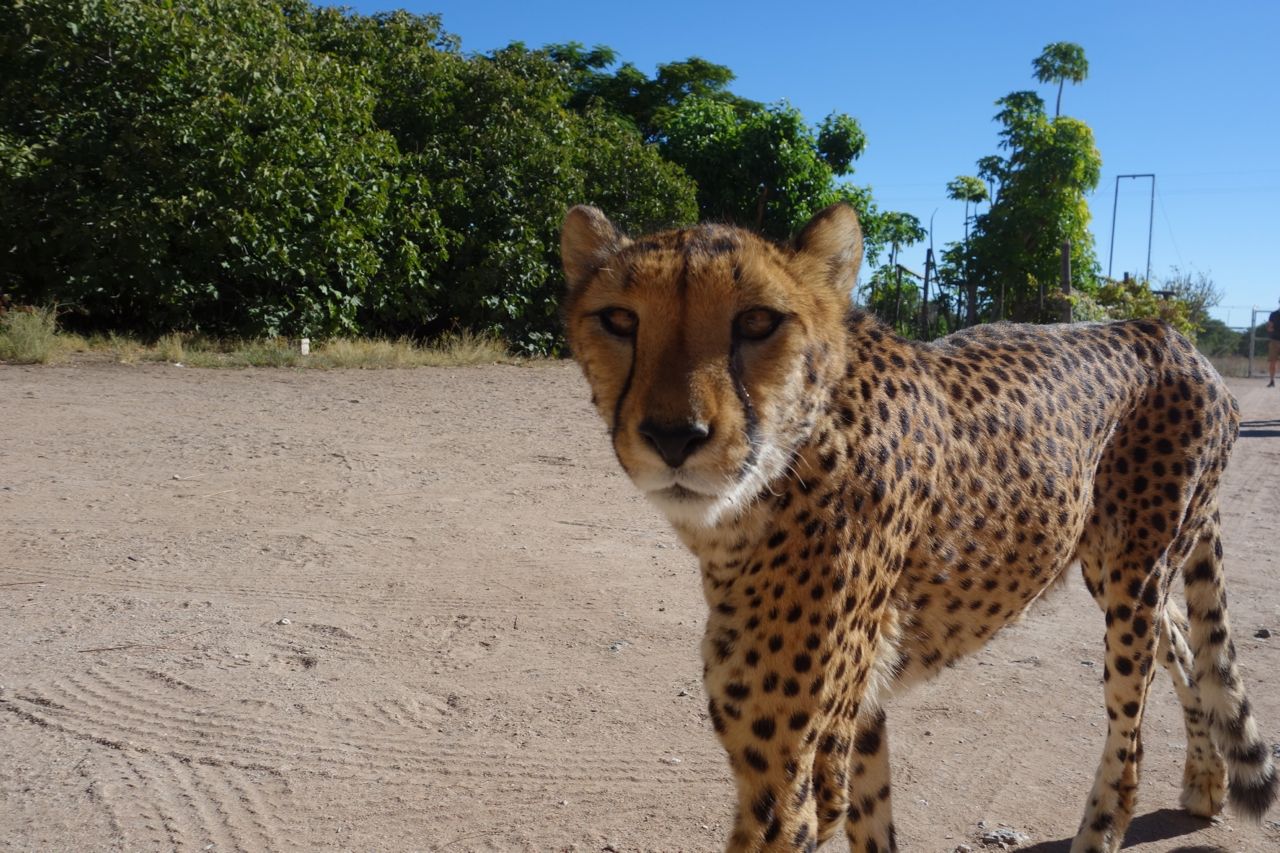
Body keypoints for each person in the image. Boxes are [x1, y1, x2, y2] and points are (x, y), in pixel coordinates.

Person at [1269, 300, 1280, 387]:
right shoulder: (1273, 314)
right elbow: (1270, 327)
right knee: (1273, 362)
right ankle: (1272, 381)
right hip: (1275, 340)